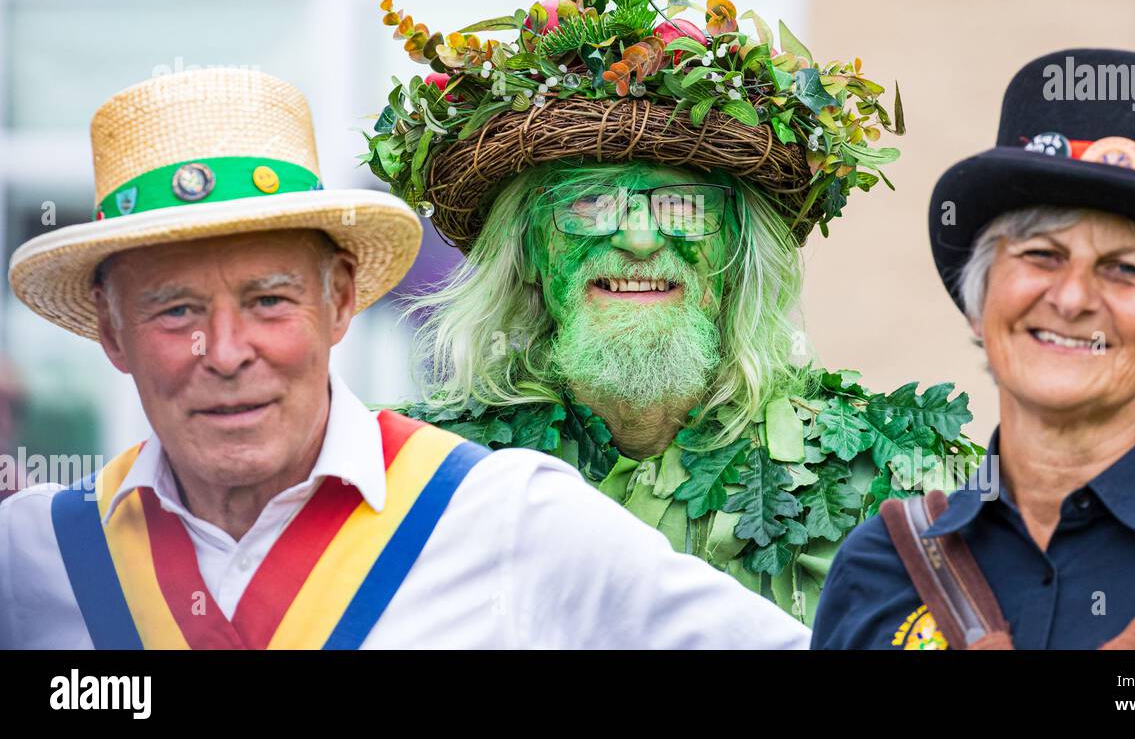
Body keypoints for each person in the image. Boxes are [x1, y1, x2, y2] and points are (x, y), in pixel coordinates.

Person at [0, 67, 809, 649]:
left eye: (269, 300)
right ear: (111, 332)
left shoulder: (508, 517)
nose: (227, 351)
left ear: (342, 299)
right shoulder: (28, 559)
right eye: (174, 311)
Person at [365, 0, 980, 626]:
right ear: (530, 249)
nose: (636, 237)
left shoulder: (901, 483)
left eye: (679, 204)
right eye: (590, 204)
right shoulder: (420, 480)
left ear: (737, 249)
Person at [812, 48, 1135, 650]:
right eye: (1041, 255)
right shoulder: (881, 571)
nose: (1071, 300)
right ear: (978, 303)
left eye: (1124, 269)